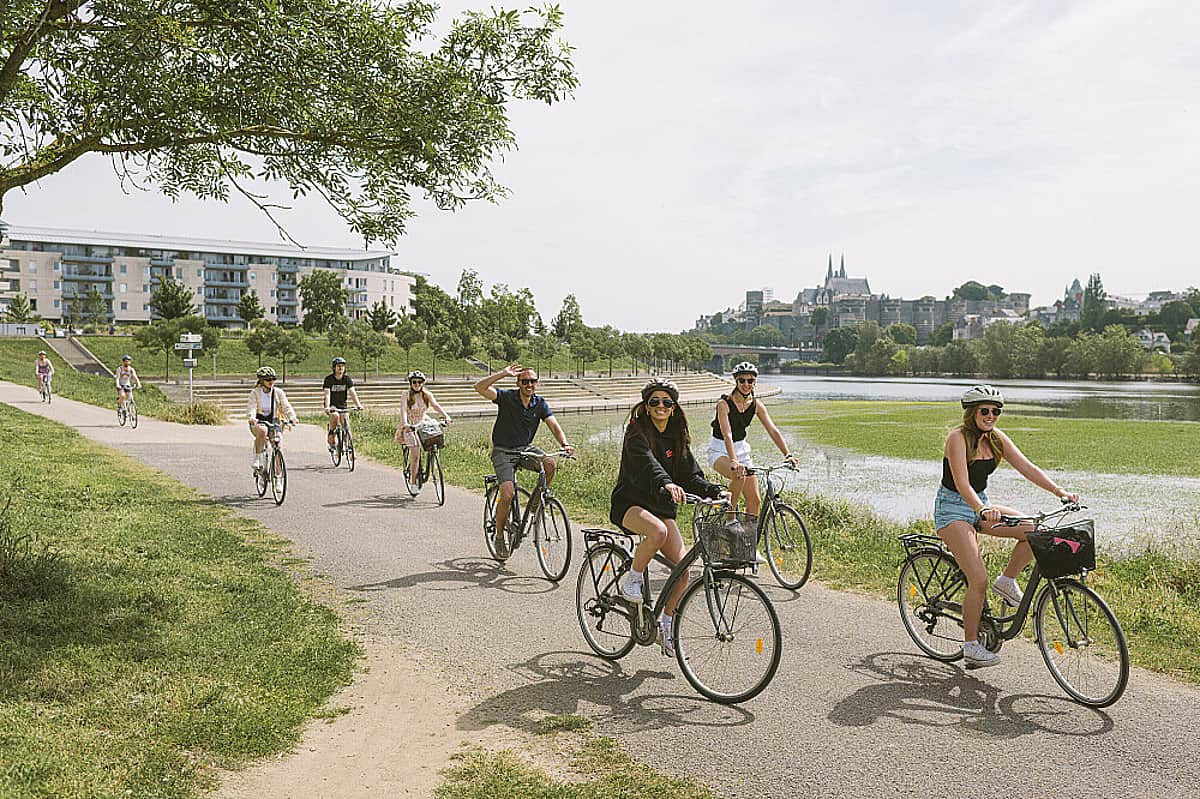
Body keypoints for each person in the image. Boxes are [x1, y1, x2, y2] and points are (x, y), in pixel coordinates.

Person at [936, 384, 1079, 668]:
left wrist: (1059, 491)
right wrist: (981, 509)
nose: (991, 416)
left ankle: (1008, 581)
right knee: (978, 579)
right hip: (953, 510)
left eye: (996, 411)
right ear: (972, 412)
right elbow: (962, 484)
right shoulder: (957, 439)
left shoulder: (997, 439)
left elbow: (1028, 468)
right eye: (985, 411)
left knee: (1035, 531)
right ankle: (971, 645)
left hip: (982, 506)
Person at [612, 378, 726, 657]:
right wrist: (666, 483)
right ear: (647, 406)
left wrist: (714, 490)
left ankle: (666, 625)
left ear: (674, 408)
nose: (660, 406)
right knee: (657, 532)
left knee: (683, 571)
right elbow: (648, 464)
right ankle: (633, 581)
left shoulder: (676, 437)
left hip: (662, 508)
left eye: (666, 402)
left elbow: (690, 475)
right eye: (655, 402)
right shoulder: (637, 433)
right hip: (630, 503)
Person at [474, 363, 574, 558]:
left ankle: (536, 506)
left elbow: (553, 425)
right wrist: (503, 373)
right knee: (508, 493)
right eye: (525, 381)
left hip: (524, 449)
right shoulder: (507, 397)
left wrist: (564, 443)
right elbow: (479, 387)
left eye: (533, 381)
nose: (529, 384)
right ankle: (500, 536)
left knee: (550, 464)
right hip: (503, 451)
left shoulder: (540, 403)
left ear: (537, 383)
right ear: (518, 383)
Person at [708, 362, 797, 516]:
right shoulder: (724, 404)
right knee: (738, 475)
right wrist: (734, 461)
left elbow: (773, 430)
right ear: (736, 381)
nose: (746, 384)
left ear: (755, 382)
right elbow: (727, 434)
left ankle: (748, 539)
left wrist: (787, 455)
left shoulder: (756, 405)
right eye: (742, 380)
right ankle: (730, 520)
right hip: (720, 451)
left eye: (750, 381)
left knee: (754, 501)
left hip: (742, 451)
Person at [395, 370, 452, 485]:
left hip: (422, 422)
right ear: (410, 383)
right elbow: (403, 410)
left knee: (435, 438)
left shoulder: (427, 395)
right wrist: (405, 424)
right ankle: (413, 481)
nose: (417, 385)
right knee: (415, 454)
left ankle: (434, 465)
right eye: (414, 382)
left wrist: (446, 416)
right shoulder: (405, 395)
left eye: (420, 382)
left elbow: (435, 405)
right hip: (410, 424)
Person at [245, 366, 298, 472]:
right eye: (268, 379)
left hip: (274, 421)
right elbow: (252, 407)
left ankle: (278, 476)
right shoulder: (255, 393)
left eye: (273, 379)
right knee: (263, 431)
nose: (271, 381)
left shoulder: (278, 392)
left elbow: (286, 406)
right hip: (258, 421)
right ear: (261, 380)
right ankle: (258, 458)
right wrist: (252, 418)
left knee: (278, 445)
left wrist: (292, 417)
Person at [323, 357, 363, 450]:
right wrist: (327, 407)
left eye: (342, 366)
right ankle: (331, 433)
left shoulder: (347, 379)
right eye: (338, 366)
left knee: (346, 424)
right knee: (335, 416)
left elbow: (352, 392)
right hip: (332, 404)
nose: (340, 368)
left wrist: (358, 405)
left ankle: (350, 448)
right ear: (334, 368)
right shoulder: (329, 379)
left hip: (343, 404)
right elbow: (327, 394)